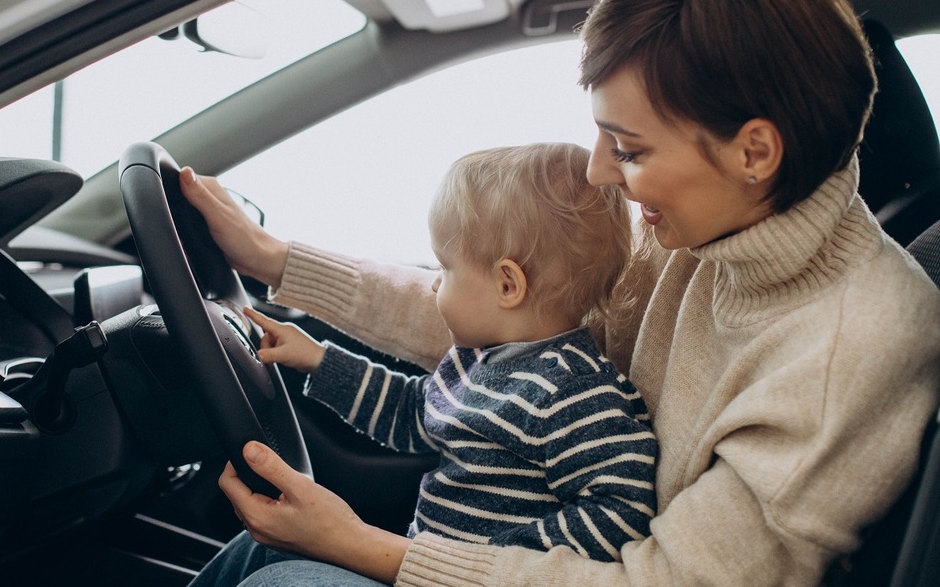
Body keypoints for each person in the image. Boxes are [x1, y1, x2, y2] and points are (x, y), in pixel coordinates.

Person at [113, 0, 940, 587]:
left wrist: (369, 549)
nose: (600, 172)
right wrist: (274, 260)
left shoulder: (850, 347)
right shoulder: (708, 234)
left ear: (754, 151)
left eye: (630, 149)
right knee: (263, 558)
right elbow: (517, 323)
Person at [245, 142, 657, 559]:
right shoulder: (477, 358)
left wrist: (498, 559)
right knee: (258, 549)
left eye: (445, 267)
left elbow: (621, 512)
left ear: (507, 285)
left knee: (282, 569)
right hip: (427, 571)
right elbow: (411, 413)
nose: (434, 283)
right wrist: (319, 361)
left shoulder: (571, 391)